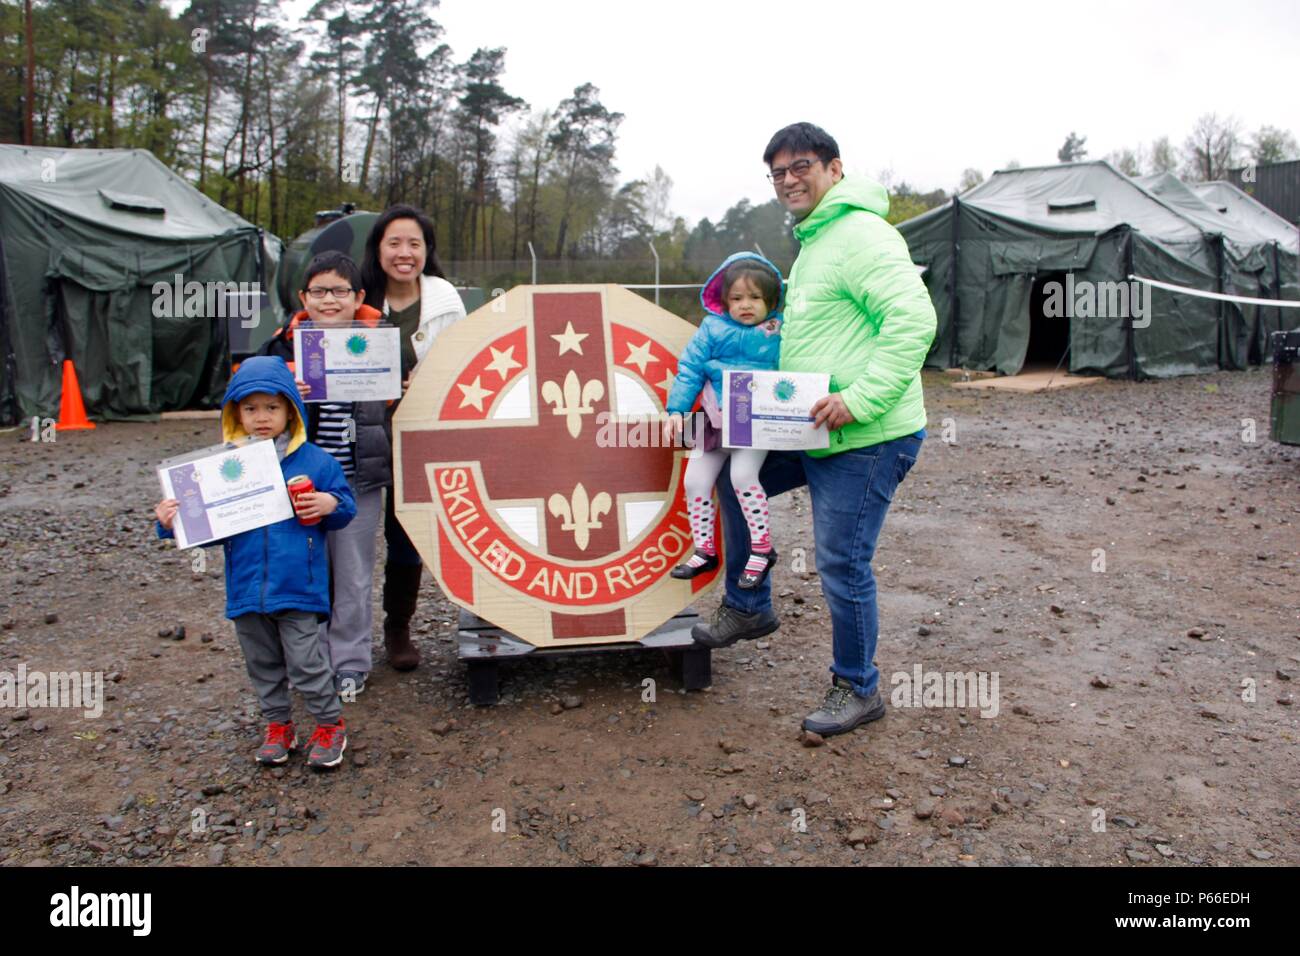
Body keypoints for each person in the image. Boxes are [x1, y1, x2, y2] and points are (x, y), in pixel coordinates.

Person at [692, 122, 936, 738]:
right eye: (777, 172)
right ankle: (751, 606)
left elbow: (912, 319)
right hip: (811, 427)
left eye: (800, 166)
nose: (787, 180)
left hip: (866, 435)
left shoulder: (862, 235)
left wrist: (860, 399)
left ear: (834, 168)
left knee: (840, 562)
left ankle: (858, 688)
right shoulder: (816, 241)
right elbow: (826, 327)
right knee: (728, 474)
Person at [154, 356, 357, 768]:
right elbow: (206, 529)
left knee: (306, 662)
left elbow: (346, 508)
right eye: (250, 408)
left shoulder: (317, 462)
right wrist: (171, 521)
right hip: (246, 589)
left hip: (298, 587)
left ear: (291, 411)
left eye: (271, 407)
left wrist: (329, 502)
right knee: (262, 663)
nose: (261, 417)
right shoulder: (219, 468)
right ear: (235, 413)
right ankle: (278, 725)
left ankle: (330, 725)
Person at [258, 251, 389, 698]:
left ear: (358, 298)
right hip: (298, 482)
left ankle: (350, 662)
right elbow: (249, 406)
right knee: (306, 571)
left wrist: (395, 391)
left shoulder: (380, 340)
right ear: (303, 297)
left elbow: (396, 402)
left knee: (353, 574)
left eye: (339, 291)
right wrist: (285, 391)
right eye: (319, 291)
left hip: (358, 478)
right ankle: (309, 661)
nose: (328, 300)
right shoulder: (281, 346)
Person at [360, 205, 467, 671]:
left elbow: (465, 366)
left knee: (405, 532)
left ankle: (397, 626)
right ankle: (336, 634)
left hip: (418, 432)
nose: (404, 253)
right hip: (360, 433)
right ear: (378, 248)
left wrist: (426, 384)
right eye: (394, 243)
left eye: (415, 244)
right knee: (349, 534)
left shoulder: (447, 302)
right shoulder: (355, 297)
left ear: (427, 251)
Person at [663, 252, 784, 589]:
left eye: (756, 297)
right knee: (694, 481)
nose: (746, 304)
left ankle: (762, 549)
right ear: (724, 300)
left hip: (754, 419)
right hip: (714, 418)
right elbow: (689, 369)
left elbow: (798, 369)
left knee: (743, 477)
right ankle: (705, 550)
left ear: (771, 299)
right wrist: (677, 411)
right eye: (737, 298)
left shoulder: (779, 332)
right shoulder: (712, 329)